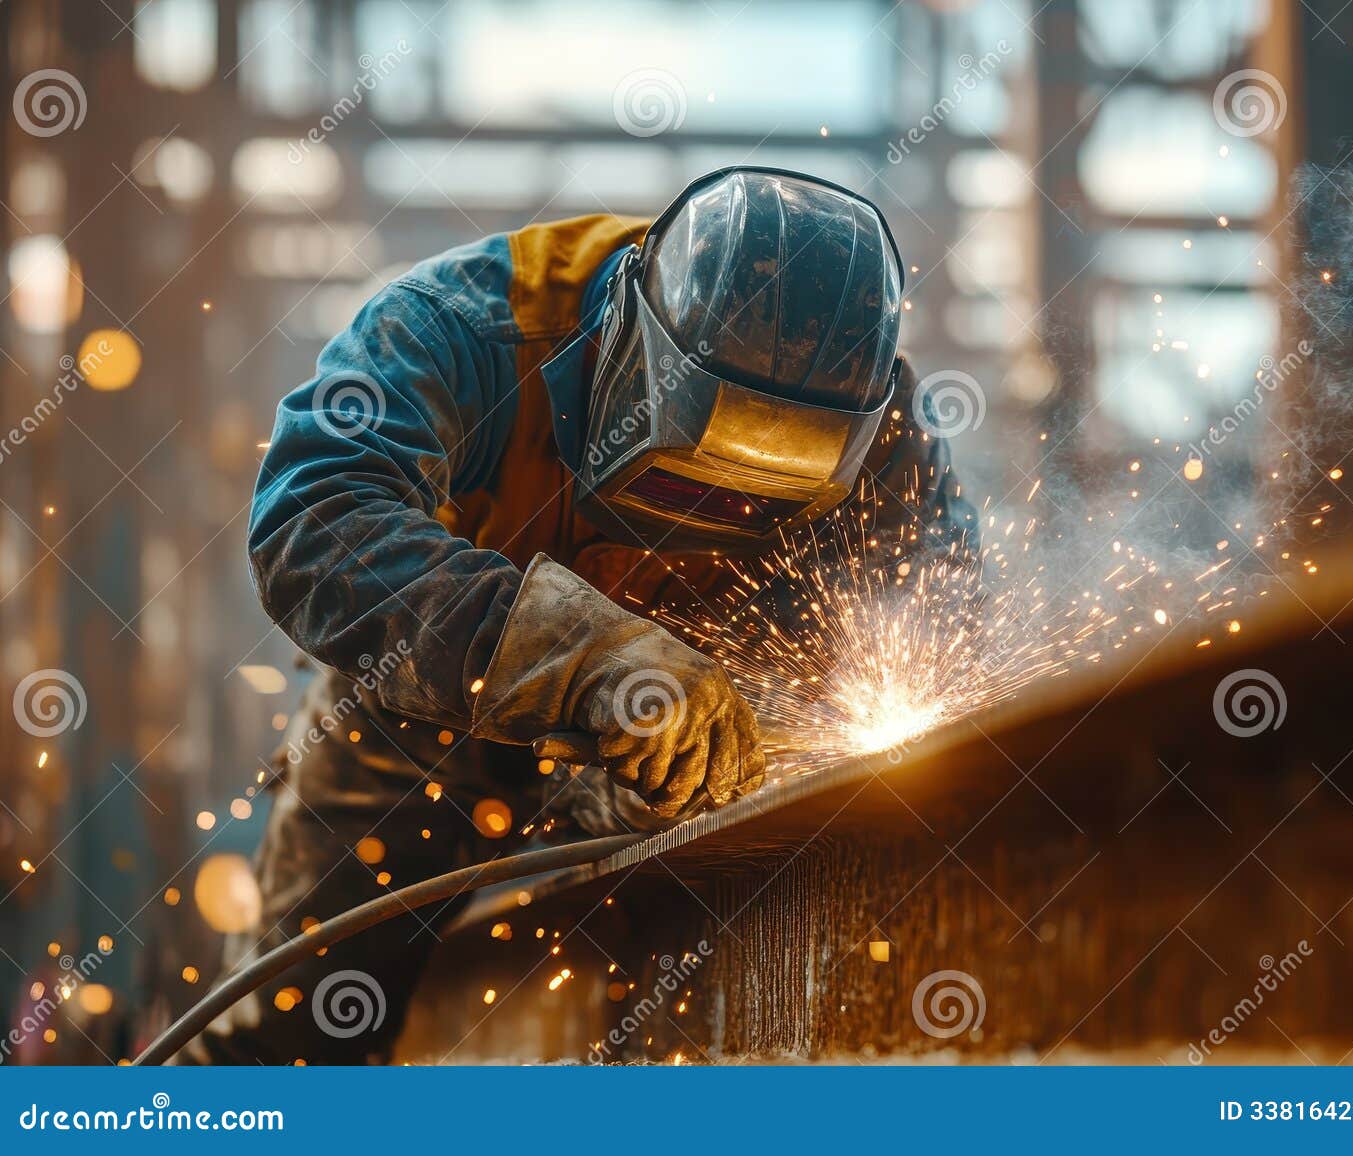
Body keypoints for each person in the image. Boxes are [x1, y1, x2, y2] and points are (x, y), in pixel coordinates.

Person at [183, 167, 975, 1063]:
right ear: (627, 347)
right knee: (302, 1015)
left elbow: (934, 625)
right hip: (422, 712)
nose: (708, 514)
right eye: (695, 466)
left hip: (697, 728)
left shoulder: (882, 424)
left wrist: (774, 717)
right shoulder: (466, 327)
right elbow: (313, 519)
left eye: (759, 496)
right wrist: (585, 655)